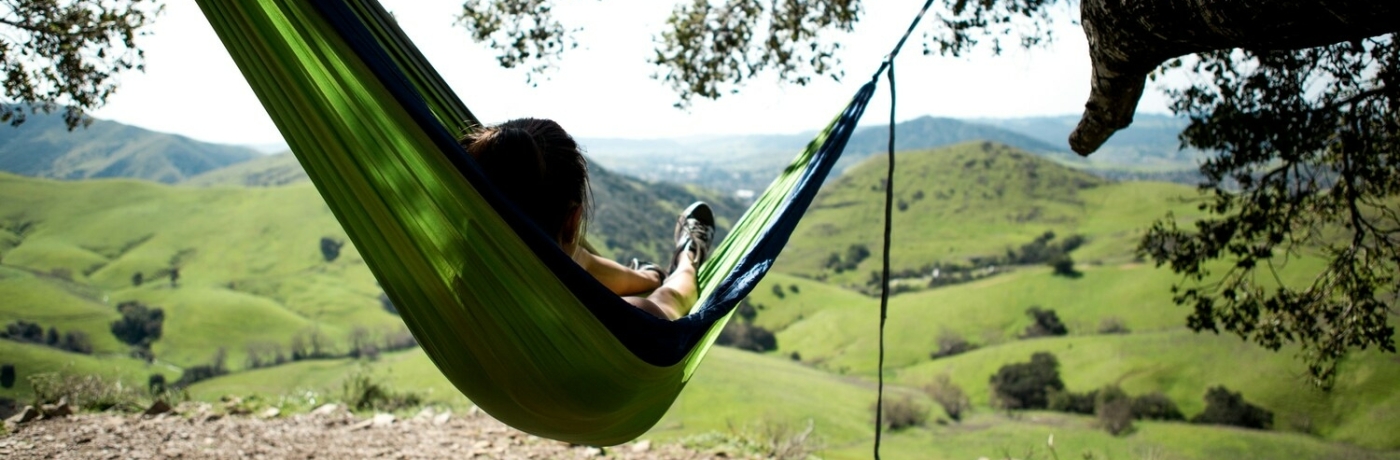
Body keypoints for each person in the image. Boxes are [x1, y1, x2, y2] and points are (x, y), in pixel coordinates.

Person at [460, 118, 714, 321]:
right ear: (573, 220)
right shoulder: (625, 321)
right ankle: (687, 254)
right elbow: (676, 297)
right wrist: (684, 265)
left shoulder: (448, 296)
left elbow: (576, 260)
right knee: (563, 259)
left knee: (567, 259)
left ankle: (650, 275)